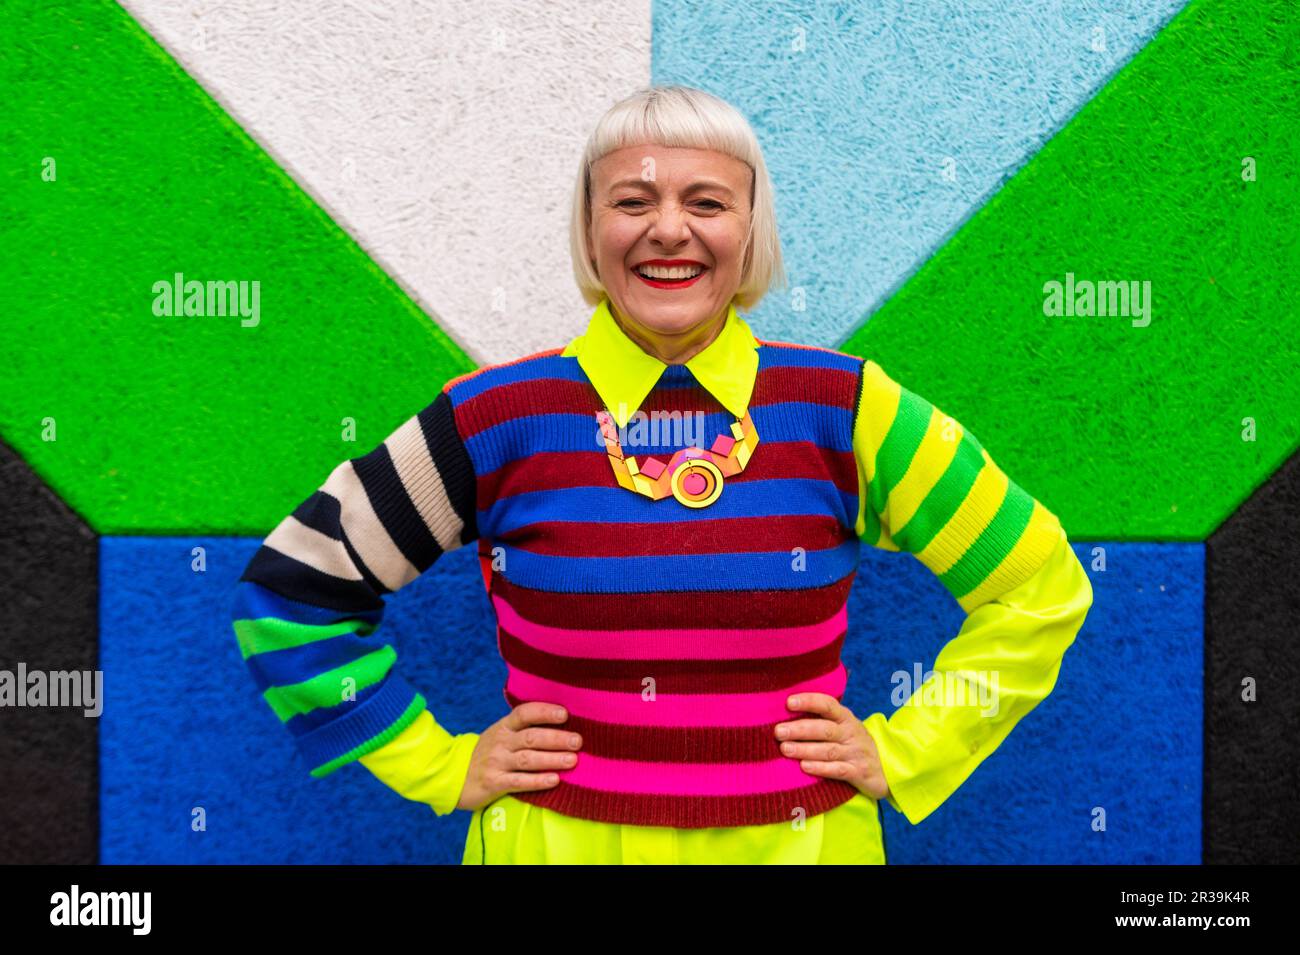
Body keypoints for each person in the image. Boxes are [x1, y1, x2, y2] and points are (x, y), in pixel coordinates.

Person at [230, 85, 1094, 865]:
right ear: (590, 229)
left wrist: (907, 750)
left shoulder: (845, 408)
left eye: (707, 202)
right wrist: (438, 764)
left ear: (750, 229)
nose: (669, 229)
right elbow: (292, 590)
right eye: (632, 201)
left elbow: (1039, 587)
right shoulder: (495, 418)